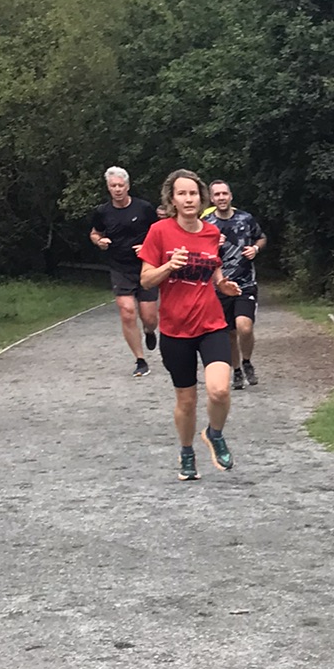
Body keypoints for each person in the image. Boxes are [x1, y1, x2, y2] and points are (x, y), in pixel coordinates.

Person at [137, 169, 243, 482]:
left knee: (220, 390)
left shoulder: (211, 233)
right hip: (175, 329)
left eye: (193, 193)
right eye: (182, 194)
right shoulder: (159, 232)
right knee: (186, 400)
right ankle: (186, 451)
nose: (188, 199)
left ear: (201, 198)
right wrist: (169, 266)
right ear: (172, 199)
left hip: (211, 323)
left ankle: (215, 432)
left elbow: (214, 270)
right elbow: (145, 279)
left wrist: (223, 285)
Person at [88, 167, 159, 376]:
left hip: (146, 266)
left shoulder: (144, 208)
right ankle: (140, 360)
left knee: (149, 316)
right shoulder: (102, 212)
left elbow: (160, 233)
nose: (117, 189)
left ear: (127, 186)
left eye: (120, 185)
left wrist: (147, 246)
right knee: (127, 312)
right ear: (108, 188)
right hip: (120, 266)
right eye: (113, 186)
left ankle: (149, 330)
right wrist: (99, 242)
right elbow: (94, 233)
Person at [207, 180, 267, 390]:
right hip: (220, 285)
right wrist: (213, 244)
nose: (221, 198)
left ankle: (247, 361)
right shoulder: (207, 223)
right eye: (217, 195)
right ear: (212, 199)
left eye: (225, 194)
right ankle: (237, 370)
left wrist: (255, 249)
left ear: (230, 196)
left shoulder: (245, 218)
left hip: (245, 283)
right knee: (229, 333)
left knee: (244, 326)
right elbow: (199, 252)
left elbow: (261, 238)